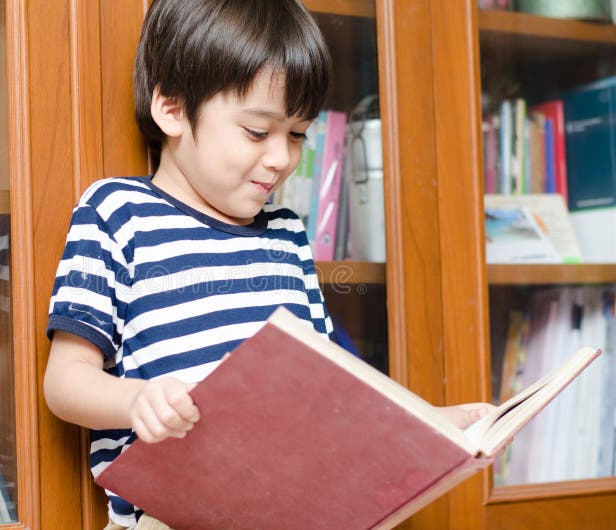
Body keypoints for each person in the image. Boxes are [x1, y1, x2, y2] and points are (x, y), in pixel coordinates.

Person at [43, 1, 495, 528]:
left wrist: (424, 424)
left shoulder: (285, 231)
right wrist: (138, 399)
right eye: (258, 132)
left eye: (298, 134)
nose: (282, 158)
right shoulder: (117, 212)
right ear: (171, 108)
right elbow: (65, 381)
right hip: (173, 514)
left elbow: (333, 386)